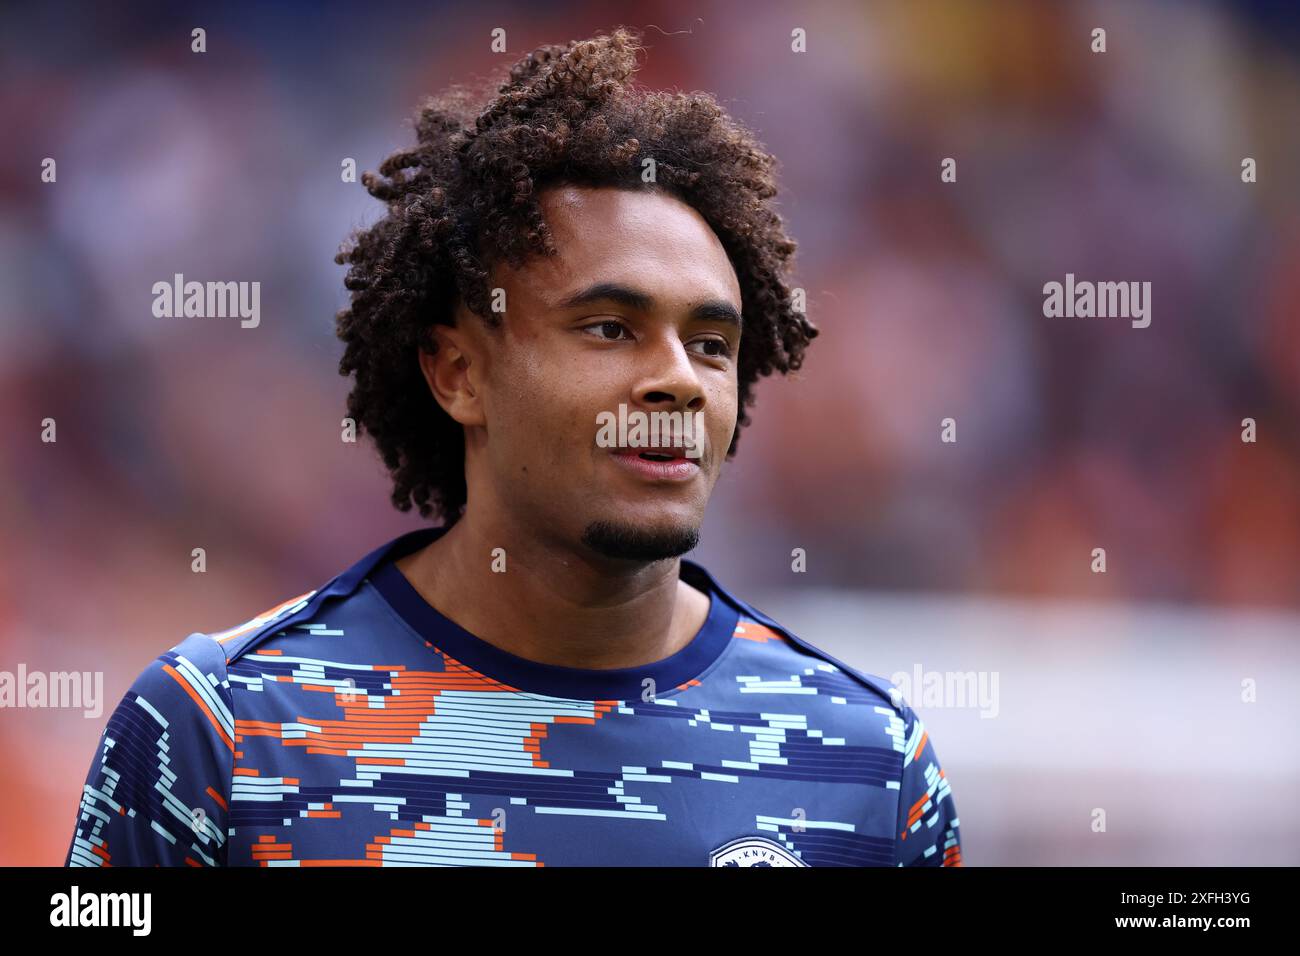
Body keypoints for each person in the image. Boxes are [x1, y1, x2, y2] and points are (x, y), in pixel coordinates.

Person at [64, 27, 960, 868]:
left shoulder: (868, 768)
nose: (680, 379)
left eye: (713, 344)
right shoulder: (223, 731)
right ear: (458, 372)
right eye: (610, 328)